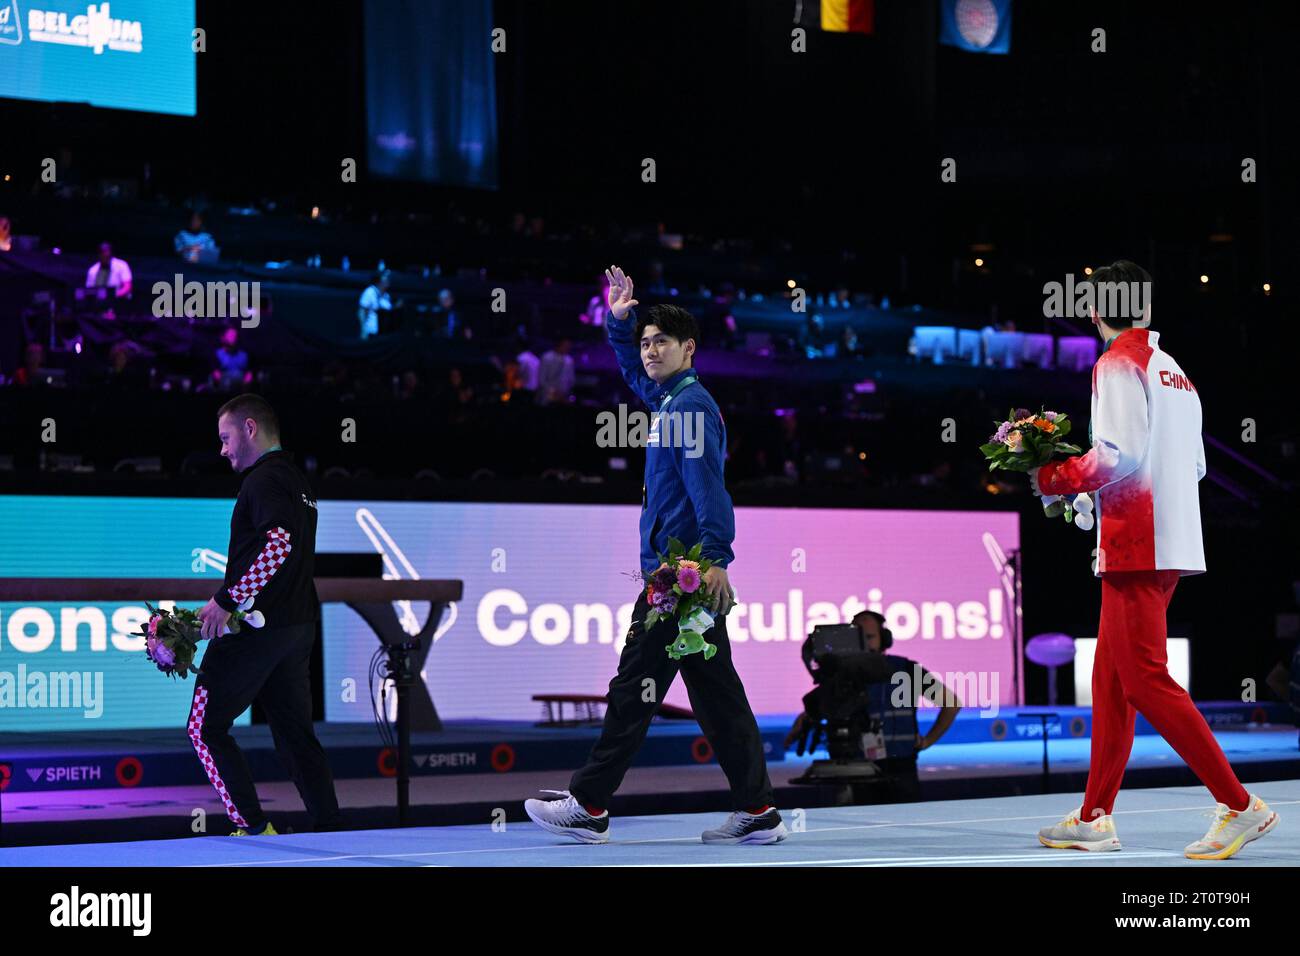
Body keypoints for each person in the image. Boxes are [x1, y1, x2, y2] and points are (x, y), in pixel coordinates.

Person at [525, 265, 786, 846]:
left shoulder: (689, 407)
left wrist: (715, 558)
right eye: (644, 344)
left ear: (688, 347)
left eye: (659, 342)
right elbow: (635, 378)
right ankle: (759, 810)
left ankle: (589, 805)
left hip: (681, 577)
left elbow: (707, 490)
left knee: (632, 687)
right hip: (682, 574)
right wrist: (620, 324)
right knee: (717, 697)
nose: (649, 352)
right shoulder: (672, 400)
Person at [1030, 260, 1278, 860]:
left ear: (1094, 312)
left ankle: (1240, 806)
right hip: (1170, 539)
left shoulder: (1117, 362)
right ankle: (1094, 817)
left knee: (1143, 679)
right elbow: (1193, 465)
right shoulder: (1175, 371)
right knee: (1110, 683)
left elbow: (1114, 454)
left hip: (1137, 544)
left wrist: (1057, 478)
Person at [191, 394, 342, 836]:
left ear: (250, 429)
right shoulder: (296, 480)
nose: (222, 450)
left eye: (225, 437)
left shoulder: (263, 481)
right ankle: (333, 830)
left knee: (204, 726)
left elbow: (277, 545)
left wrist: (228, 600)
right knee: (297, 735)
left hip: (257, 629)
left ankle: (252, 826)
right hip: (296, 629)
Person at [785, 611, 962, 804]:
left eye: (869, 637)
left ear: (884, 639)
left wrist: (928, 740)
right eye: (858, 638)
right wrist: (806, 717)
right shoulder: (840, 674)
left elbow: (951, 703)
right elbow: (826, 706)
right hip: (854, 771)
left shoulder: (907, 669)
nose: (864, 644)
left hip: (900, 771)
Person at [536, 337, 575, 405]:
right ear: (559, 345)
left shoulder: (569, 360)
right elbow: (541, 379)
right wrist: (552, 391)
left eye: (569, 346)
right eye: (565, 345)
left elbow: (571, 379)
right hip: (547, 396)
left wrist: (564, 392)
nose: (567, 348)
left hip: (563, 397)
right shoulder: (546, 357)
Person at [211, 326, 253, 391]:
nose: (233, 337)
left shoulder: (244, 355)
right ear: (223, 337)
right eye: (230, 335)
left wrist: (246, 382)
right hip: (224, 387)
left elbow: (249, 373)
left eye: (234, 335)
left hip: (241, 388)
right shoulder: (217, 354)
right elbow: (215, 374)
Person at [357, 270, 394, 339]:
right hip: (371, 333)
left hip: (384, 333)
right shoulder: (369, 292)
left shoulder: (387, 296)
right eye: (385, 278)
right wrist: (363, 330)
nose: (388, 280)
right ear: (378, 281)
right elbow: (361, 312)